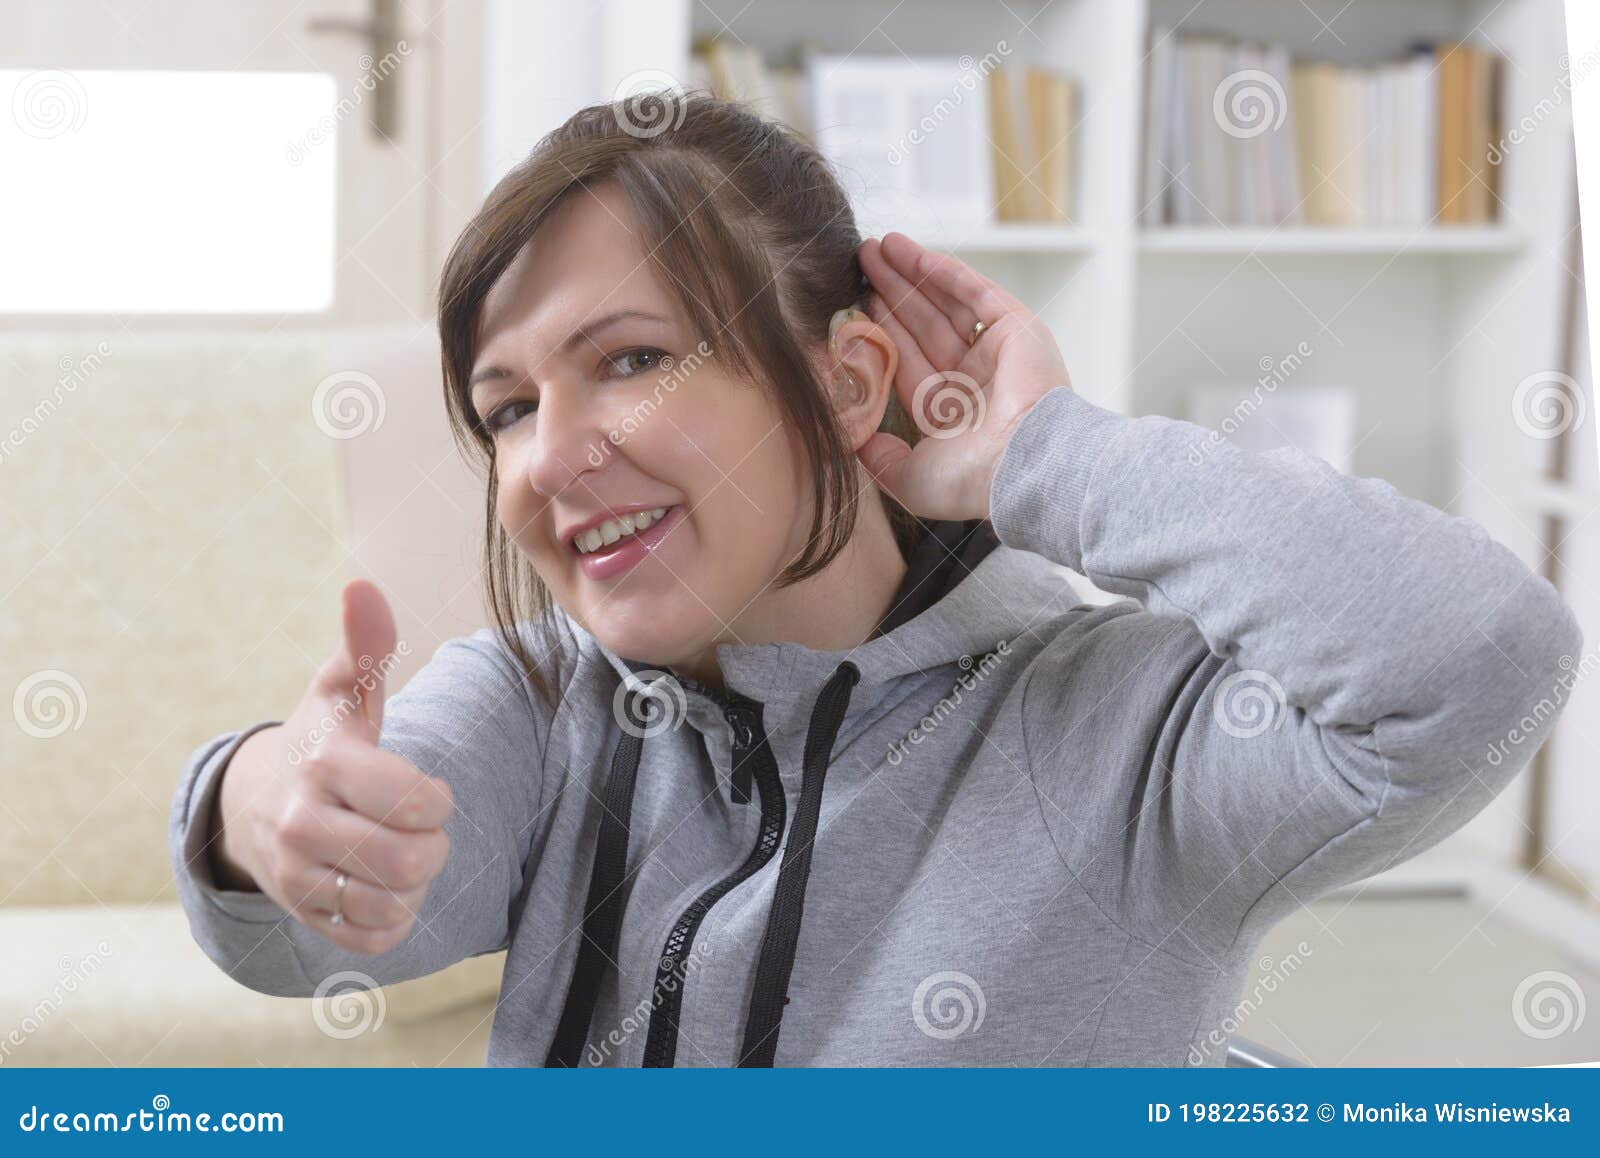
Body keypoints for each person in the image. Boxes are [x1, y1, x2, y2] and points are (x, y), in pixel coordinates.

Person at [170, 94, 1581, 1067]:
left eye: (632, 358)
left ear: (849, 380)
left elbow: (1480, 656)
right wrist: (259, 804)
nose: (552, 455)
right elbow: (308, 940)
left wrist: (1044, 455)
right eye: (508, 407)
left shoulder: (1112, 735)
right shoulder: (539, 705)